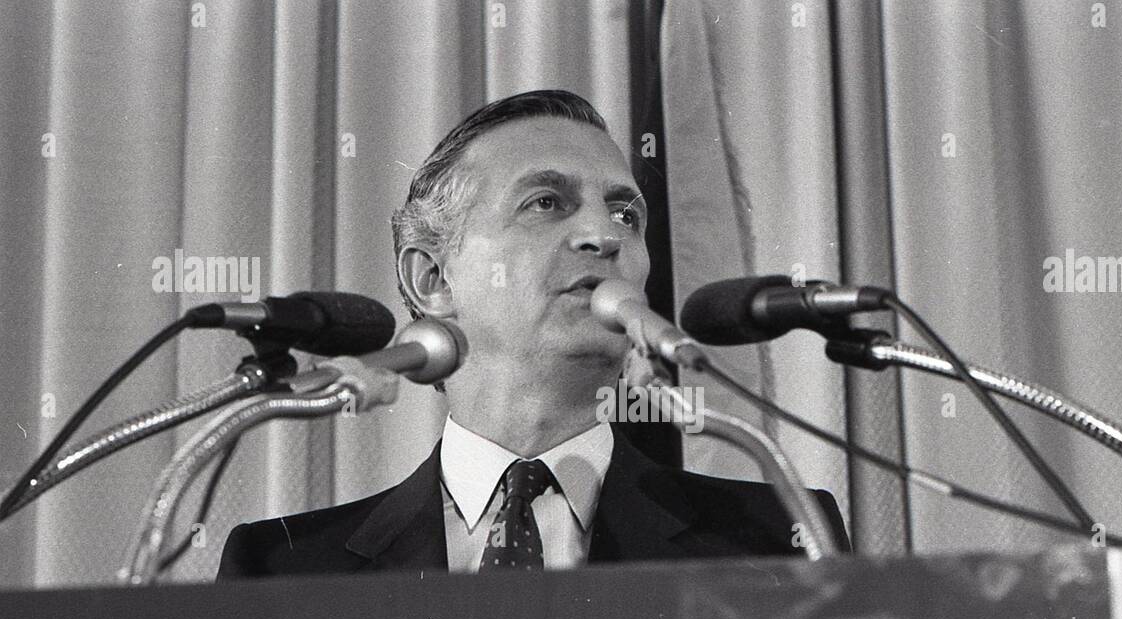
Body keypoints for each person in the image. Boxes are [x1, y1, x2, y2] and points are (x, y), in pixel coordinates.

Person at [217, 89, 848, 579]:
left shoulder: (782, 539)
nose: (604, 236)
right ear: (433, 277)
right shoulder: (283, 569)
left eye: (626, 214)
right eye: (546, 202)